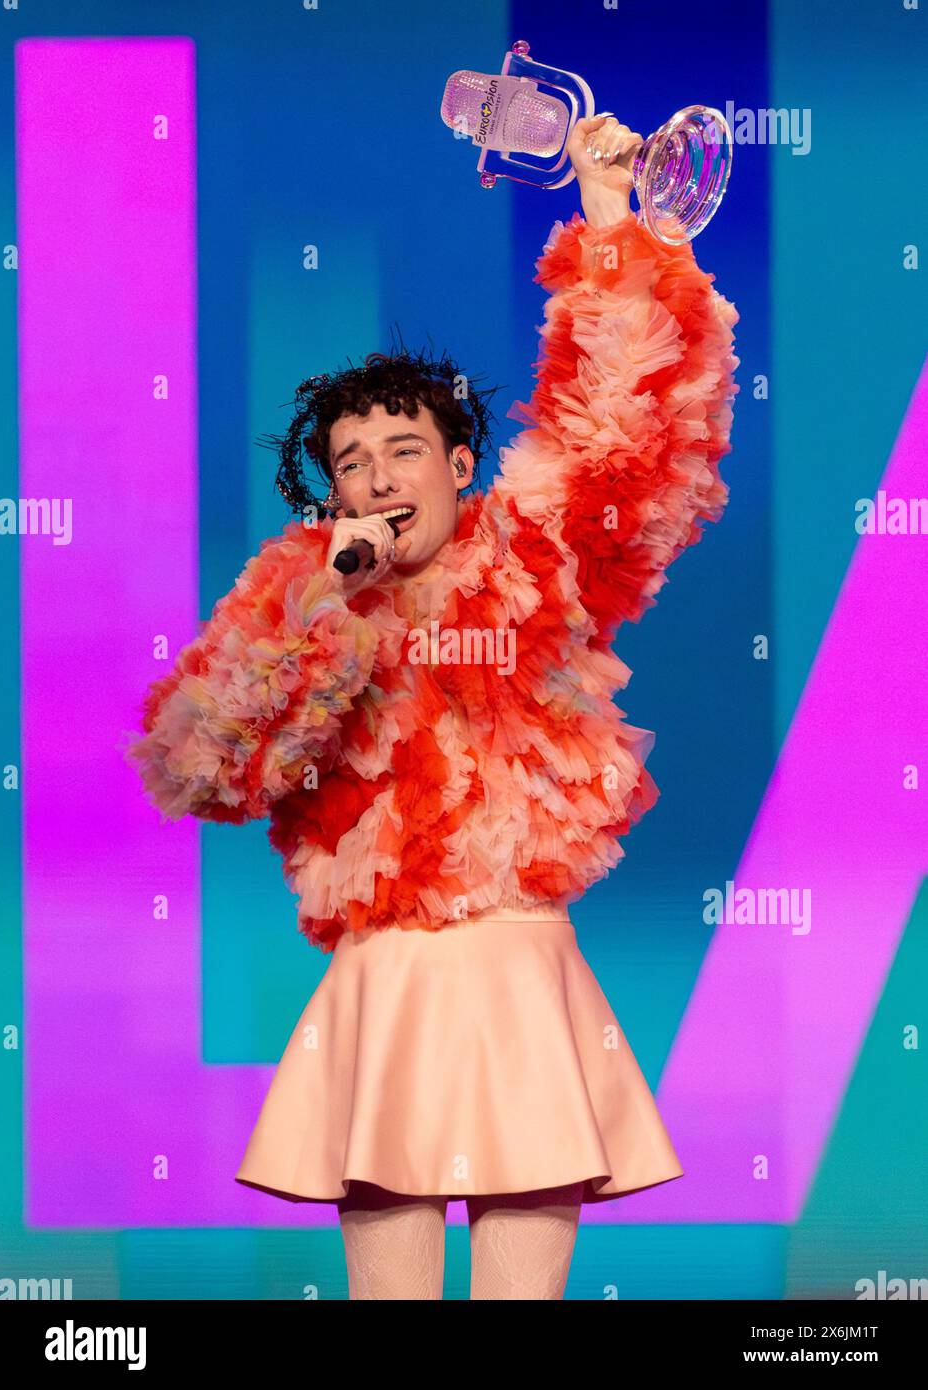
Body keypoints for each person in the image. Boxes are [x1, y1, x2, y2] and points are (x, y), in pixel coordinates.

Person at [124, 115, 739, 1299]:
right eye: (352, 461)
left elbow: (629, 434)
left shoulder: (539, 552)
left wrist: (609, 216)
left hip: (515, 961)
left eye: (403, 450)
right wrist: (319, 604)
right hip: (386, 968)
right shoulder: (299, 588)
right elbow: (201, 763)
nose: (377, 479)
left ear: (462, 465)